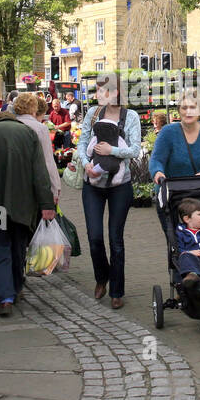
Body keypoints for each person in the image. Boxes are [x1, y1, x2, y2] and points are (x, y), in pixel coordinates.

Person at [0, 96, 56, 317]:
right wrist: (47, 204)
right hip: (22, 205)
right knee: (18, 246)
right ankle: (17, 287)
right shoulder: (28, 134)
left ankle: (5, 298)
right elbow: (40, 173)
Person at [77, 72, 143, 309]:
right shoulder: (93, 114)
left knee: (116, 238)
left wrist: (112, 152)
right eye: (97, 90)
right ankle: (101, 276)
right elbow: (82, 143)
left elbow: (135, 149)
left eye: (102, 90)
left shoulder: (130, 116)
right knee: (95, 237)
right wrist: (86, 164)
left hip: (119, 184)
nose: (98, 95)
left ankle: (117, 290)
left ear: (115, 93)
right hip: (92, 183)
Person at [149, 87, 200, 184]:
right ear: (179, 111)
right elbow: (156, 159)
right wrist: (157, 172)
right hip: (174, 191)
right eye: (184, 108)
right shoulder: (167, 132)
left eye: (193, 107)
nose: (188, 111)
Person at [16, 93, 62, 203]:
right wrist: (55, 187)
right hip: (35, 181)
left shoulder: (10, 124)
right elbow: (48, 160)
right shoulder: (40, 128)